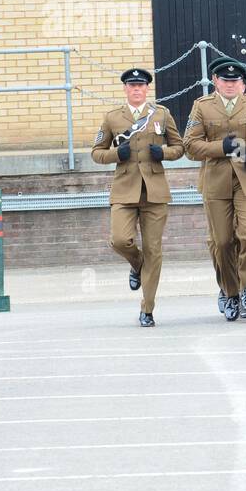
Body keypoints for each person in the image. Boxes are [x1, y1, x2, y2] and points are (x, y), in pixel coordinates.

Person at [183, 56, 246, 320]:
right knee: (223, 242)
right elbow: (190, 145)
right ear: (215, 81)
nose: (230, 85)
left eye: (235, 81)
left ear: (242, 84)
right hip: (216, 180)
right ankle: (229, 290)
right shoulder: (202, 107)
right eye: (225, 80)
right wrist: (220, 148)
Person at [91, 68, 185, 327]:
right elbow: (96, 152)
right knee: (120, 240)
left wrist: (163, 152)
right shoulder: (112, 118)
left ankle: (148, 309)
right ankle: (136, 264)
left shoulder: (161, 114)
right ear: (125, 89)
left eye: (140, 85)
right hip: (124, 189)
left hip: (154, 190)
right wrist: (115, 155)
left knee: (154, 250)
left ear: (146, 89)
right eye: (131, 85)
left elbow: (180, 147)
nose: (136, 89)